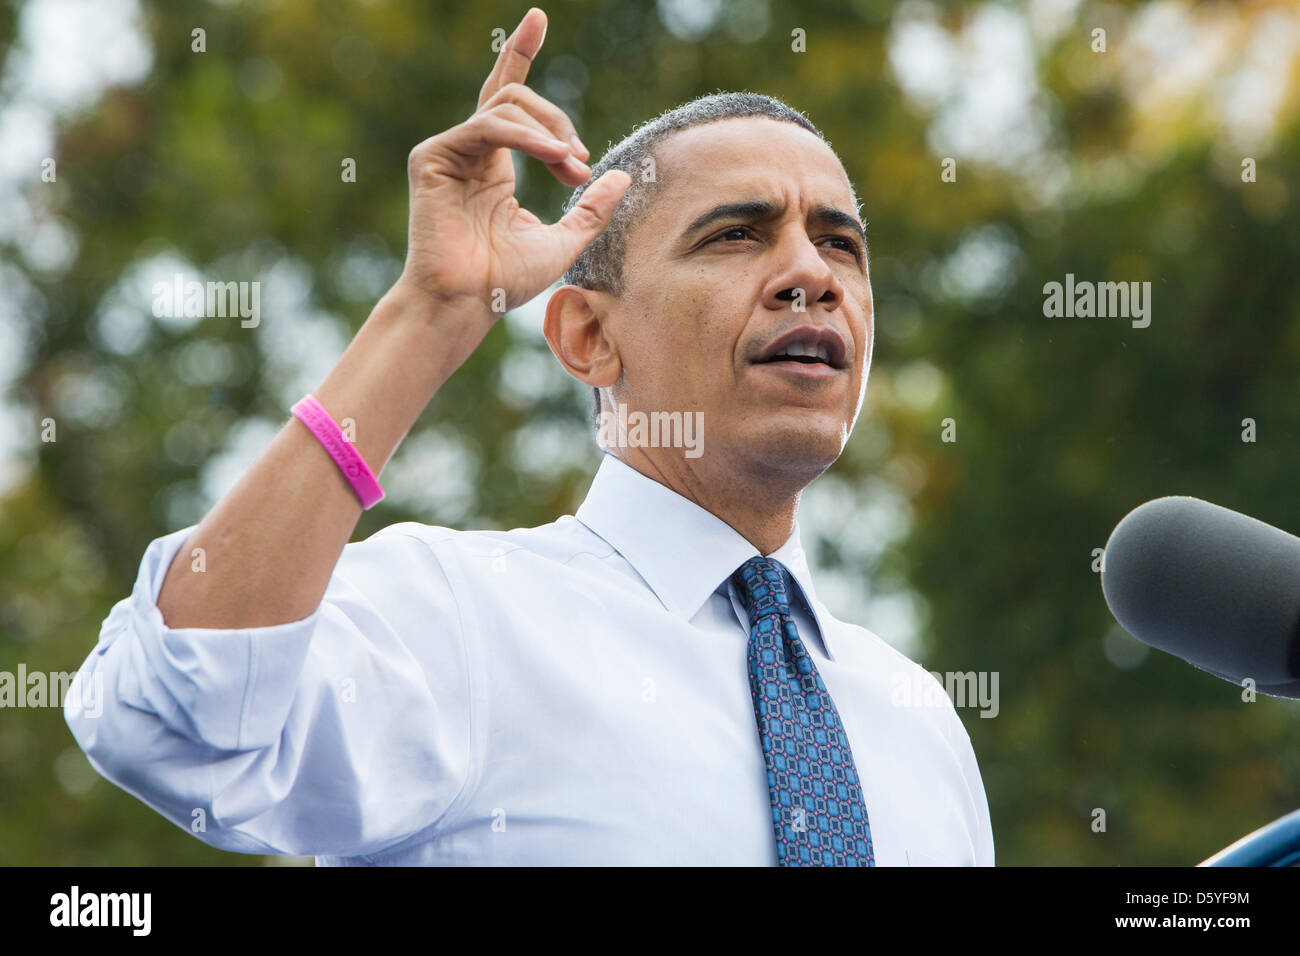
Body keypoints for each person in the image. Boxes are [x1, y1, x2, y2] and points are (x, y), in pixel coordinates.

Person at [64, 7, 993, 866]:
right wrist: (430, 314)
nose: (809, 274)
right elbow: (166, 715)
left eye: (841, 245)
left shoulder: (917, 720)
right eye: (736, 236)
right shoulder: (463, 623)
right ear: (587, 336)